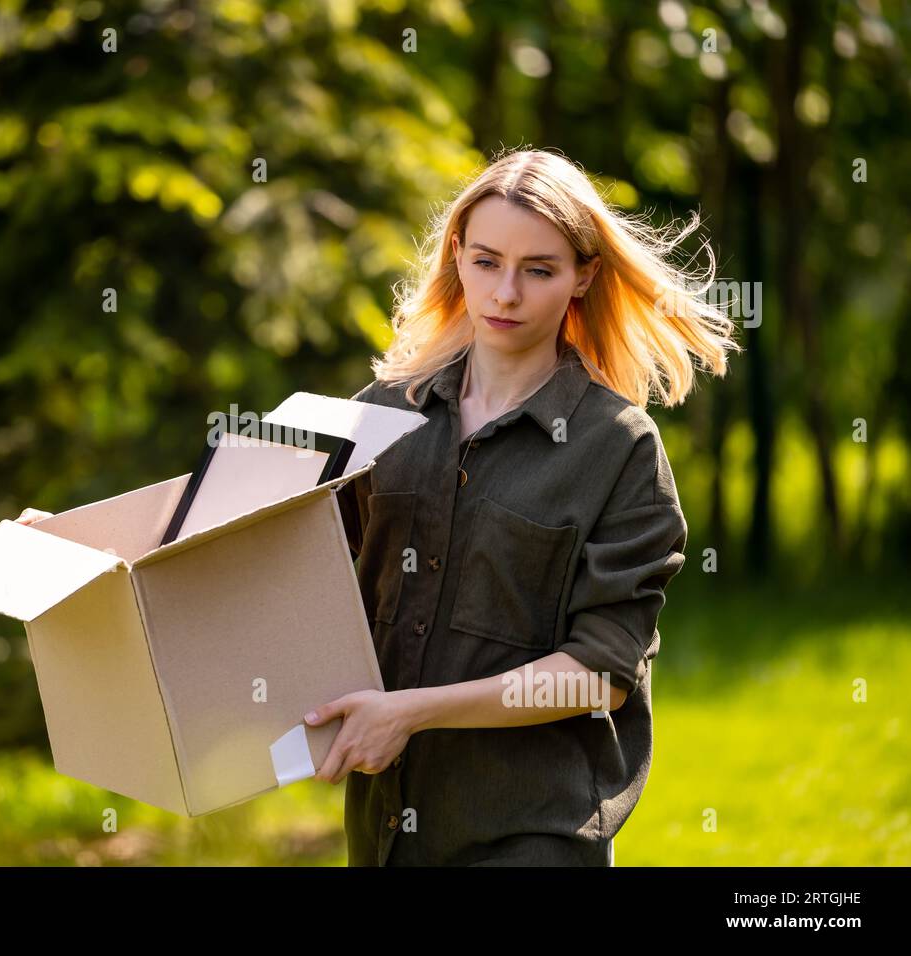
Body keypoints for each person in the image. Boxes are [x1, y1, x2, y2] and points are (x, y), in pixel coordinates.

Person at [304, 148, 741, 866]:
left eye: (538, 270)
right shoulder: (383, 415)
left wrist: (409, 714)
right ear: (457, 257)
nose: (505, 292)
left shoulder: (618, 448)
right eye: (485, 262)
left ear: (583, 275)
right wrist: (82, 550)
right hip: (384, 834)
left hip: (535, 833)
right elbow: (260, 549)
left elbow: (599, 671)